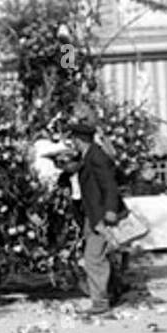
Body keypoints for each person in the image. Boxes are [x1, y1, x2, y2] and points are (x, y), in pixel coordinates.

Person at [65, 118, 130, 314]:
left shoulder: (96, 156)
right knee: (98, 256)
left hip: (100, 215)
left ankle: (100, 302)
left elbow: (110, 185)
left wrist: (110, 211)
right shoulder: (88, 156)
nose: (71, 143)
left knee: (93, 258)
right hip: (92, 215)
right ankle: (109, 292)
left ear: (79, 140)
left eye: (73, 139)